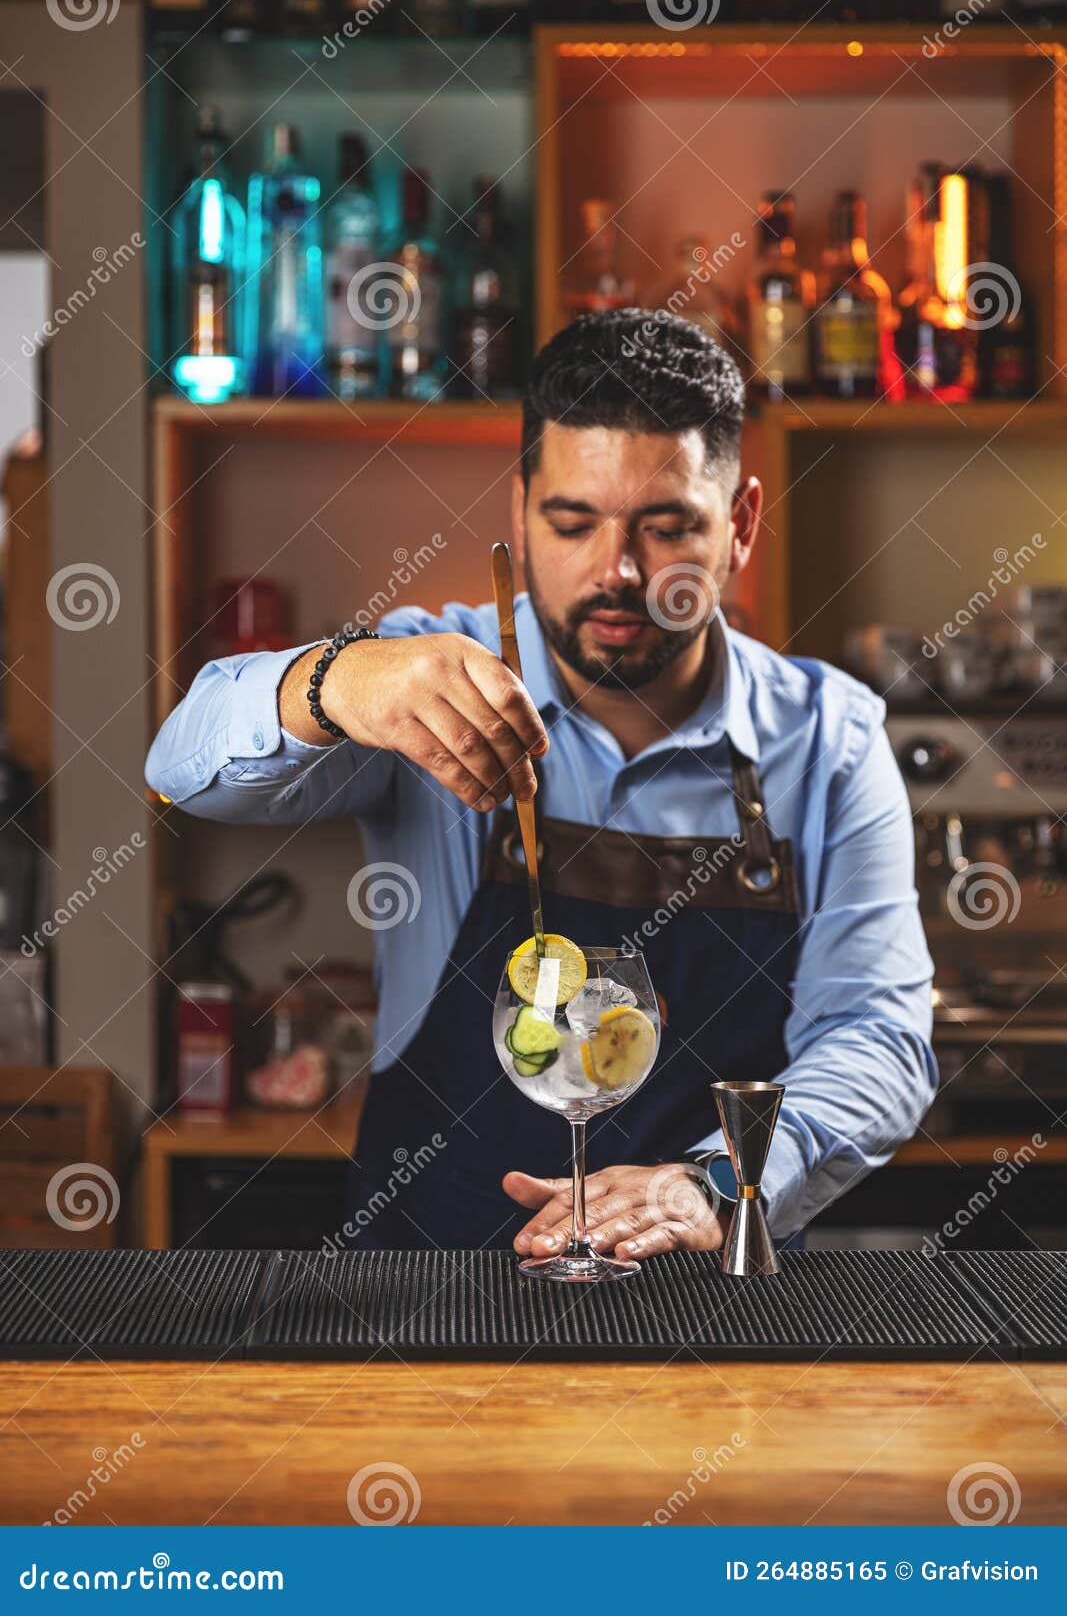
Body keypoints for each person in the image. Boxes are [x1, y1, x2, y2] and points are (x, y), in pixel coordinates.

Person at [146, 309, 935, 1262]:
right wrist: (337, 678)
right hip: (427, 1293)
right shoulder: (425, 681)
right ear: (520, 513)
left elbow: (877, 1038)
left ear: (741, 526)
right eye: (573, 522)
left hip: (710, 1311)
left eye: (667, 526)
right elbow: (180, 770)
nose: (619, 572)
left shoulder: (828, 739)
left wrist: (716, 1181)